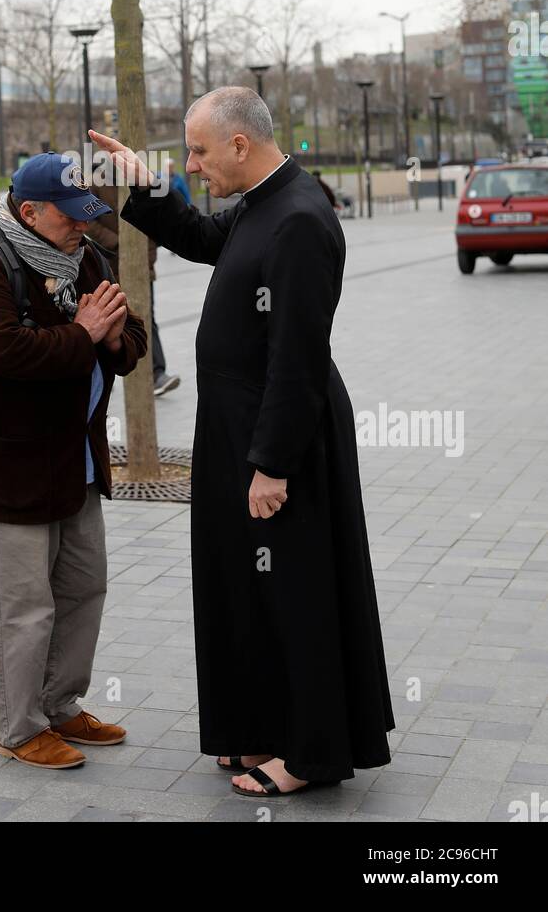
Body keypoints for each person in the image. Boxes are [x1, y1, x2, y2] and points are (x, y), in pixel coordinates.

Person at [89, 88, 395, 798]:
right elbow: (200, 237)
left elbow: (298, 356)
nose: (192, 164)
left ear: (238, 145)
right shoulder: (264, 204)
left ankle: (308, 752)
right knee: (245, 588)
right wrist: (145, 184)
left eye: (198, 151)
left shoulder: (299, 221)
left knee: (294, 590)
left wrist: (272, 465)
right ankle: (256, 727)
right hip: (235, 429)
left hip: (277, 438)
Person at [0, 152, 147, 771]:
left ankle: (60, 704)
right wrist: (86, 334)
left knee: (84, 587)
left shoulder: (84, 255)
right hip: (13, 468)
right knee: (21, 606)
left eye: (87, 215)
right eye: (71, 217)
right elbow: (7, 356)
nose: (84, 228)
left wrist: (114, 337)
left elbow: (130, 335)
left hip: (79, 463)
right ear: (29, 212)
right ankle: (17, 726)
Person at [85, 180, 180, 397]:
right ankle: (106, 373)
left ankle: (156, 373)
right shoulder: (97, 183)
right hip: (112, 266)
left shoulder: (138, 180)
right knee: (110, 321)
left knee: (147, 318)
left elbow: (154, 220)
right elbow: (88, 220)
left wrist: (148, 254)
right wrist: (116, 242)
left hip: (142, 265)